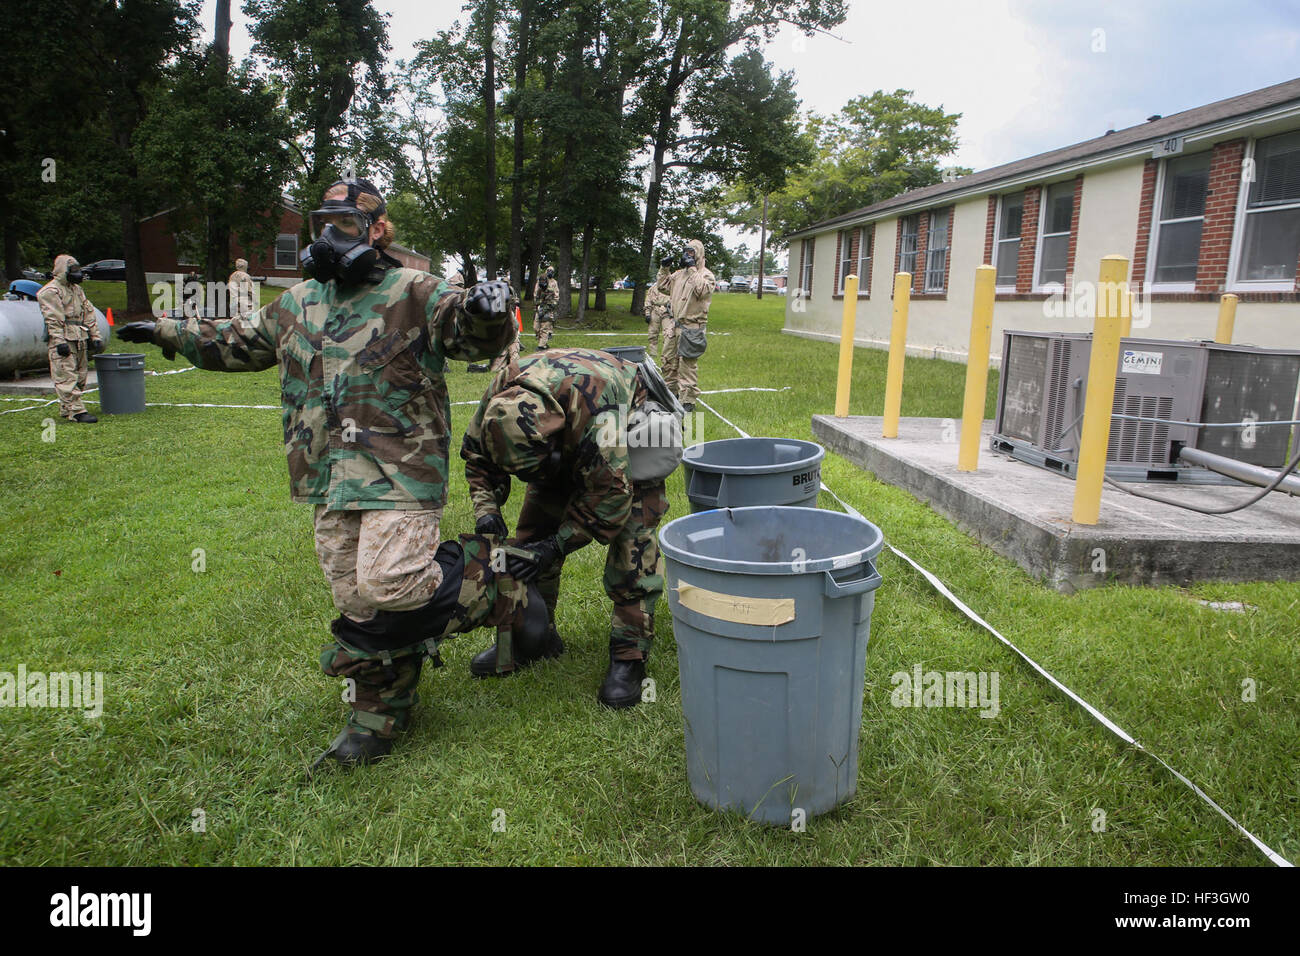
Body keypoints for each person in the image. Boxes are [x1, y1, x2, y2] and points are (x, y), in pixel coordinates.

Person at [117, 177, 543, 767]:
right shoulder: (298, 301)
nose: (330, 235)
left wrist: (487, 312)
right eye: (324, 222)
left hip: (401, 472)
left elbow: (466, 333)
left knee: (390, 582)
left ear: (377, 229)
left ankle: (497, 580)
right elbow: (238, 342)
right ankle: (378, 716)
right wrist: (164, 329)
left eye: (346, 223)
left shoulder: (416, 290)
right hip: (325, 474)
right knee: (357, 600)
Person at [460, 347, 672, 708]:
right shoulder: (499, 395)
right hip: (571, 432)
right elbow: (478, 456)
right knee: (530, 539)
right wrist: (487, 510)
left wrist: (556, 546)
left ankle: (629, 656)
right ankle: (535, 638)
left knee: (632, 550)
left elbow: (612, 499)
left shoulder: (599, 413)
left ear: (553, 442)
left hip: (630, 429)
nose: (533, 479)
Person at [37, 254, 103, 424]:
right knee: (66, 375)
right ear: (63, 271)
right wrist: (59, 342)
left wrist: (95, 335)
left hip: (79, 335)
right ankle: (77, 411)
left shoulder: (77, 290)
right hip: (64, 337)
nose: (78, 273)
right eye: (73, 270)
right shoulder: (51, 291)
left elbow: (88, 313)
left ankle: (67, 408)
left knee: (81, 374)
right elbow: (53, 318)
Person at [665, 239, 714, 413]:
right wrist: (664, 269)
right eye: (686, 252)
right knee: (669, 362)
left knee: (687, 365)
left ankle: (688, 401)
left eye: (691, 252)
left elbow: (702, 290)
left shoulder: (706, 275)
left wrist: (693, 269)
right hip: (675, 325)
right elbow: (663, 287)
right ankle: (670, 395)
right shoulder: (679, 274)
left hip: (692, 327)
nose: (687, 255)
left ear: (698, 254)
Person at [644, 260, 672, 361]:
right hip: (655, 310)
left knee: (668, 333)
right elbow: (648, 300)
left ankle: (667, 355)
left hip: (667, 310)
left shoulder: (671, 286)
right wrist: (647, 313)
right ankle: (653, 353)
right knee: (652, 333)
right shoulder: (652, 288)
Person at [533, 266, 559, 349]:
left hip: (548, 308)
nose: (550, 272)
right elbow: (536, 296)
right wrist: (537, 307)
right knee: (536, 328)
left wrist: (545, 309)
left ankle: (542, 345)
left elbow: (555, 298)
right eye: (548, 270)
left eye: (551, 271)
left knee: (545, 327)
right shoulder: (540, 282)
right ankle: (543, 341)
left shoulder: (554, 284)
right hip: (539, 308)